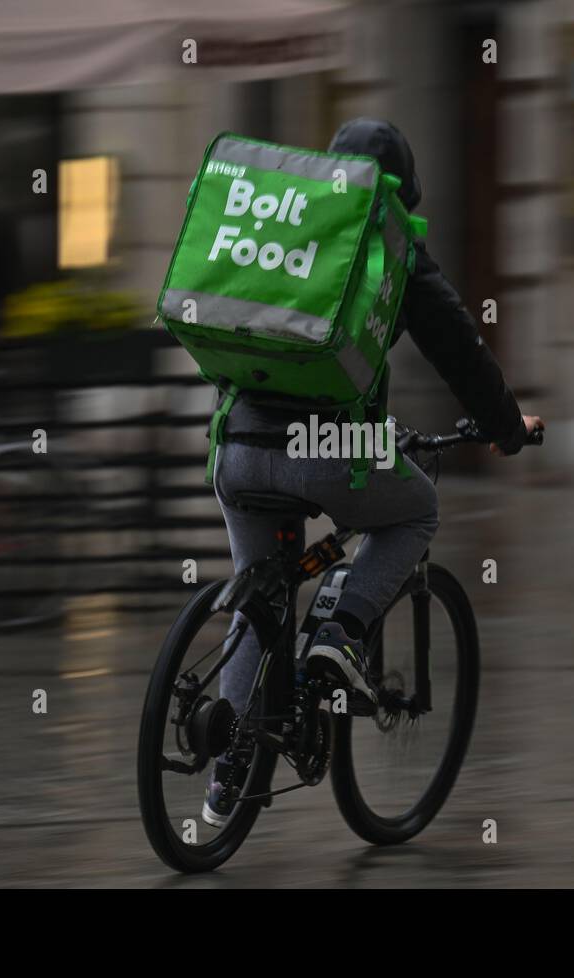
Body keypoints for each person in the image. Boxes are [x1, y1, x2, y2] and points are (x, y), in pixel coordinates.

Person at [204, 119, 543, 826]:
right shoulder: (392, 245)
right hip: (326, 452)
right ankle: (343, 633)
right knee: (414, 510)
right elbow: (461, 352)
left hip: (236, 447)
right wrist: (509, 428)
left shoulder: (289, 221)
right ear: (401, 193)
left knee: (256, 604)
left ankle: (227, 769)